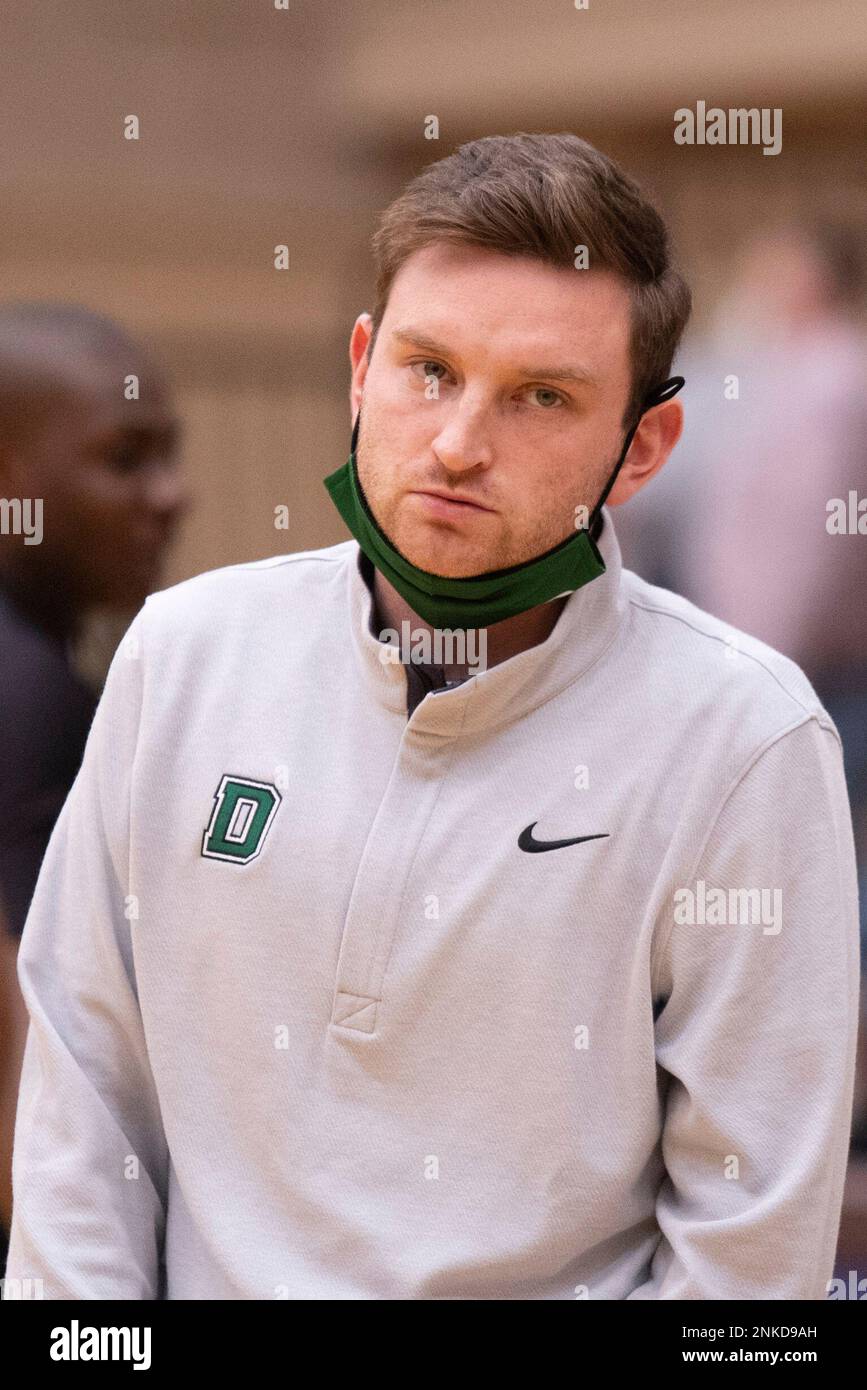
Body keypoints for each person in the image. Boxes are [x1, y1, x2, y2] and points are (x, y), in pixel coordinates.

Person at [4, 135, 860, 1301]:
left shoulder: (746, 738)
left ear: (643, 446)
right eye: (428, 369)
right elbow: (82, 1106)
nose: (459, 441)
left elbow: (748, 1253)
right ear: (362, 368)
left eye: (540, 396)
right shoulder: (184, 654)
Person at [0, 303, 188, 1275]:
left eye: (169, 456)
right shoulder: (29, 694)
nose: (172, 495)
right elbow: (36, 1046)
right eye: (126, 460)